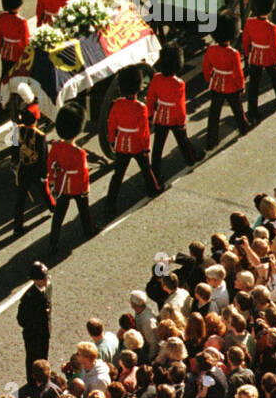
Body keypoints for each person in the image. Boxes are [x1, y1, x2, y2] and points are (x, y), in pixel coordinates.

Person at [104, 65, 161, 218]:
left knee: (118, 175)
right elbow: (144, 130)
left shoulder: (116, 104)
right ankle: (153, 190)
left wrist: (112, 140)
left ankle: (110, 203)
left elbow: (112, 124)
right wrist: (146, 147)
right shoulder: (141, 107)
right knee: (146, 169)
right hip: (137, 144)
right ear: (137, 87)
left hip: (122, 143)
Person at [147, 43, 200, 179]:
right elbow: (180, 106)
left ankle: (155, 172)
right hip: (175, 118)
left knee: (158, 147)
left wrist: (150, 115)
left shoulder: (156, 78)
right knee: (182, 140)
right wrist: (182, 122)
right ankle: (191, 159)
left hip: (160, 116)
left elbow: (151, 98)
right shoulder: (179, 83)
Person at [48, 104, 94, 254]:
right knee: (84, 211)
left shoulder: (56, 146)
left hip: (62, 185)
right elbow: (83, 173)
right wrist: (85, 189)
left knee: (58, 216)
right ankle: (88, 231)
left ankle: (53, 242)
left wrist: (53, 181)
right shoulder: (79, 153)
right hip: (76, 186)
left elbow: (51, 165)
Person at [202, 12, 249, 151]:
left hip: (216, 84)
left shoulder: (211, 50)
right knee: (237, 109)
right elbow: (238, 73)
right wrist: (241, 86)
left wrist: (210, 79)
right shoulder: (233, 53)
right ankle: (243, 127)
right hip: (231, 85)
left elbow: (206, 68)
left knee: (214, 113)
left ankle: (211, 139)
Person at [10, 86, 53, 237]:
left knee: (20, 200)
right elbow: (43, 158)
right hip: (36, 170)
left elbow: (14, 150)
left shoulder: (17, 130)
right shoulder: (40, 136)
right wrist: (45, 173)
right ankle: (54, 208)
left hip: (23, 169)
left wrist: (15, 162)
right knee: (45, 191)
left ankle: (17, 227)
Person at [242, 0, 276, 121]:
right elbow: (274, 47)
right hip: (268, 56)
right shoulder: (271, 27)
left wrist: (247, 53)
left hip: (255, 56)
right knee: (275, 79)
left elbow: (246, 40)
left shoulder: (249, 22)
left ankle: (252, 110)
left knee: (254, 85)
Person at [17, 261, 53, 391]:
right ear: (36, 280)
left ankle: (43, 377)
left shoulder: (48, 287)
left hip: (45, 332)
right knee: (32, 360)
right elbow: (21, 319)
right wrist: (34, 326)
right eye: (43, 277)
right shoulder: (28, 298)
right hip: (33, 336)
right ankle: (32, 383)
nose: (46, 279)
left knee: (44, 356)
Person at [0, 0, 29, 99]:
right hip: (18, 53)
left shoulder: (1, 17)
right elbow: (25, 42)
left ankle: (1, 99)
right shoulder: (21, 22)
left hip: (5, 51)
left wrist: (1, 49)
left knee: (4, 76)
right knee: (19, 77)